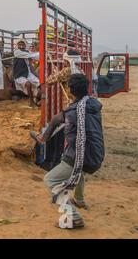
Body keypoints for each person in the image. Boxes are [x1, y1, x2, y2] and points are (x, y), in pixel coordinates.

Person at [31, 74, 105, 229]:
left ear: (70, 90)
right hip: (96, 155)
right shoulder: (94, 105)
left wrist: (42, 138)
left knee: (50, 180)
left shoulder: (71, 112)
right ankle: (79, 199)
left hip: (80, 156)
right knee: (79, 171)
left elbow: (54, 121)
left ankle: (73, 217)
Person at [13, 39, 40, 106]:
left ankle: (38, 99)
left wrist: (38, 76)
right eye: (20, 45)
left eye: (23, 45)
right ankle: (31, 102)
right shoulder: (17, 52)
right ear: (17, 45)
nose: (21, 46)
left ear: (25, 45)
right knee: (28, 84)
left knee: (40, 83)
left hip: (28, 73)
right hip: (19, 75)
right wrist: (41, 54)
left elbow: (30, 66)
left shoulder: (28, 53)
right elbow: (34, 56)